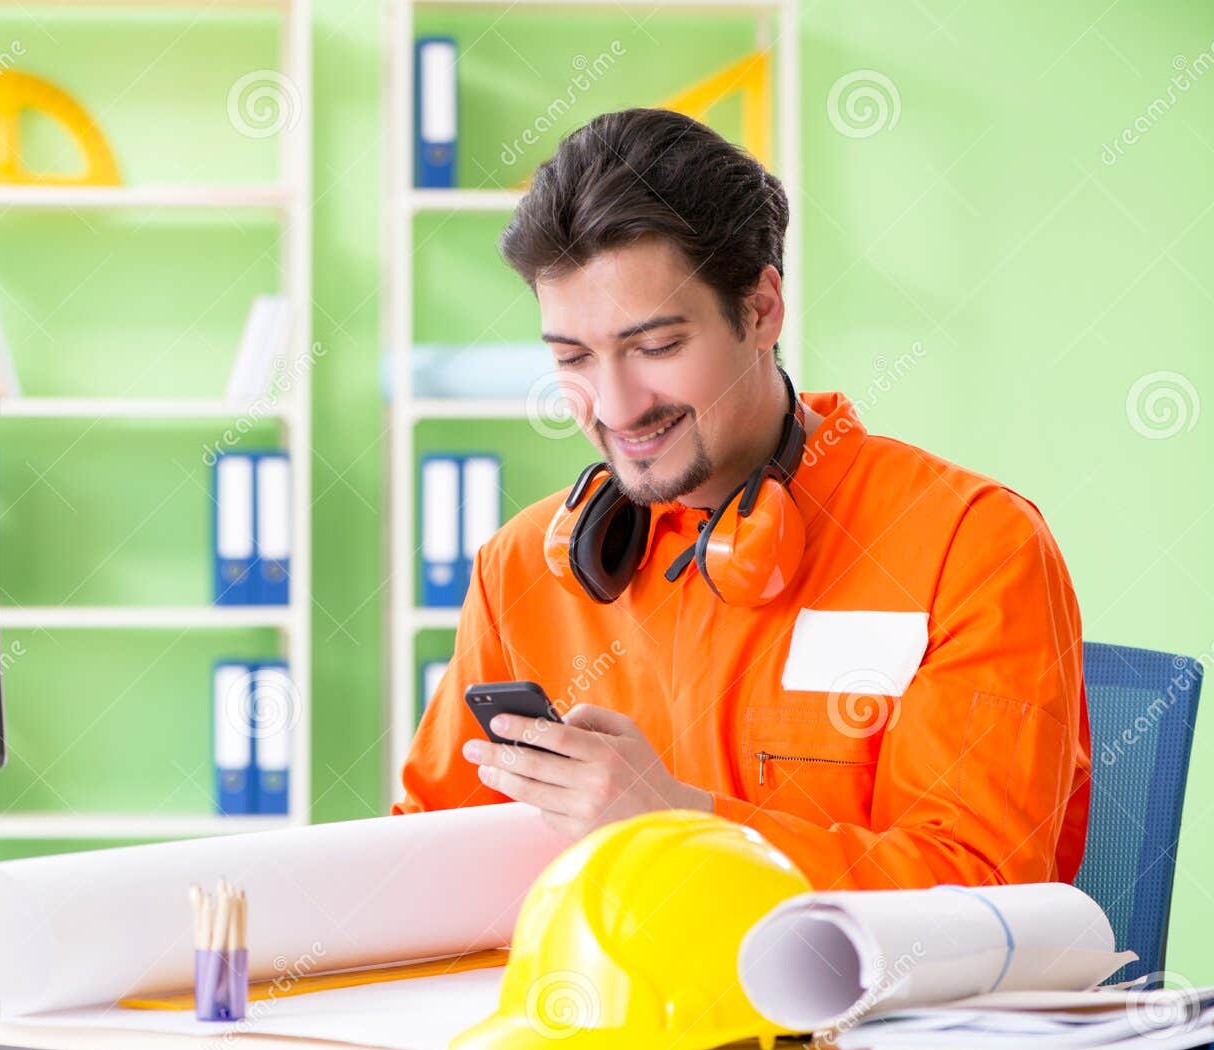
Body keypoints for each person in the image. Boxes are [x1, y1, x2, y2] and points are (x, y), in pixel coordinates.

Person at [394, 108, 1090, 891]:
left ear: (761, 310)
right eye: (575, 357)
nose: (617, 406)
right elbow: (422, 865)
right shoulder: (518, 568)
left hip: (862, 1015)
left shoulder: (969, 546)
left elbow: (984, 891)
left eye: (657, 347)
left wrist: (681, 827)